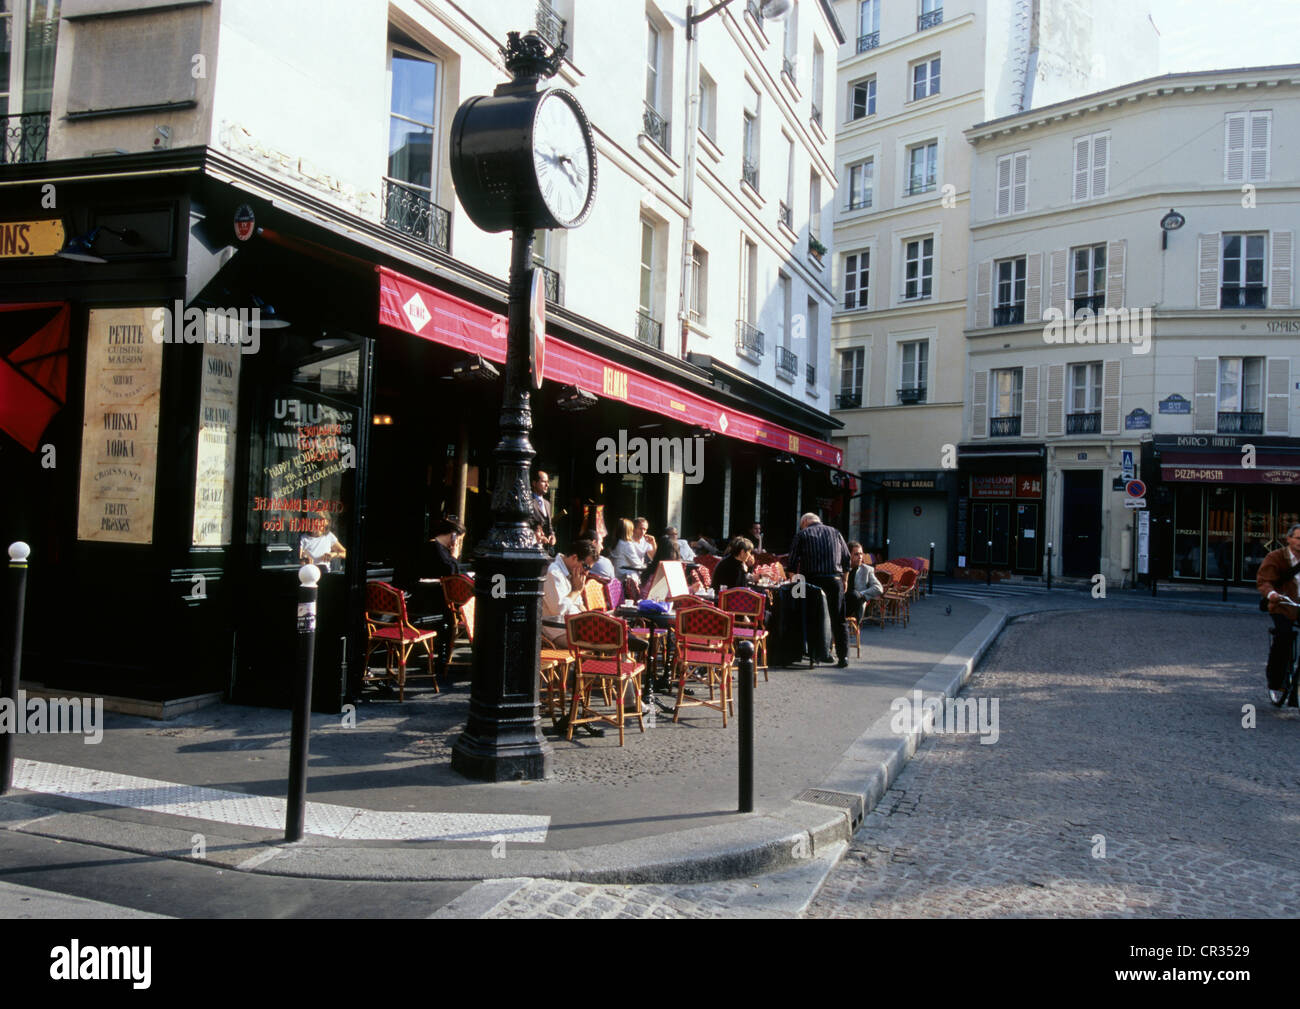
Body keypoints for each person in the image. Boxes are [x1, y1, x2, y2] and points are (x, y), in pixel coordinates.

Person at [787, 512, 852, 668]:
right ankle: (843, 657)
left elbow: (792, 561)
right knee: (839, 619)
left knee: (812, 617)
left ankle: (814, 655)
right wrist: (845, 579)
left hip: (812, 581)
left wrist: (794, 582)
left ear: (805, 523)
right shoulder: (835, 532)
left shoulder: (802, 534)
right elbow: (847, 558)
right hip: (834, 579)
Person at [1257, 522, 1300, 706]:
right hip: (1283, 604)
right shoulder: (1276, 557)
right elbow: (1264, 580)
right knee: (1283, 636)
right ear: (1289, 539)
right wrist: (1272, 594)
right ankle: (1276, 680)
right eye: (1298, 538)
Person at [542, 539, 598, 648]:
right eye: (586, 566)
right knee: (611, 642)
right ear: (574, 558)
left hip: (576, 626)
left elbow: (579, 605)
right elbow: (558, 609)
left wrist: (594, 620)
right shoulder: (553, 572)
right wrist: (576, 590)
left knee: (617, 632)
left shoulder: (571, 572)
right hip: (560, 630)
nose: (586, 573)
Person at [845, 540, 884, 624]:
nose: (860, 557)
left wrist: (861, 594)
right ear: (848, 555)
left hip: (855, 605)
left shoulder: (866, 570)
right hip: (841, 601)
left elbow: (879, 588)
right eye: (856, 554)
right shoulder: (841, 568)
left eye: (861, 554)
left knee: (854, 594)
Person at [530, 470, 557, 552]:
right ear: (534, 483)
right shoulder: (528, 501)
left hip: (545, 551)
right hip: (531, 549)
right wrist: (537, 536)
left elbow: (550, 526)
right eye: (543, 482)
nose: (547, 485)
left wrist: (552, 536)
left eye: (547, 482)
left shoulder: (547, 504)